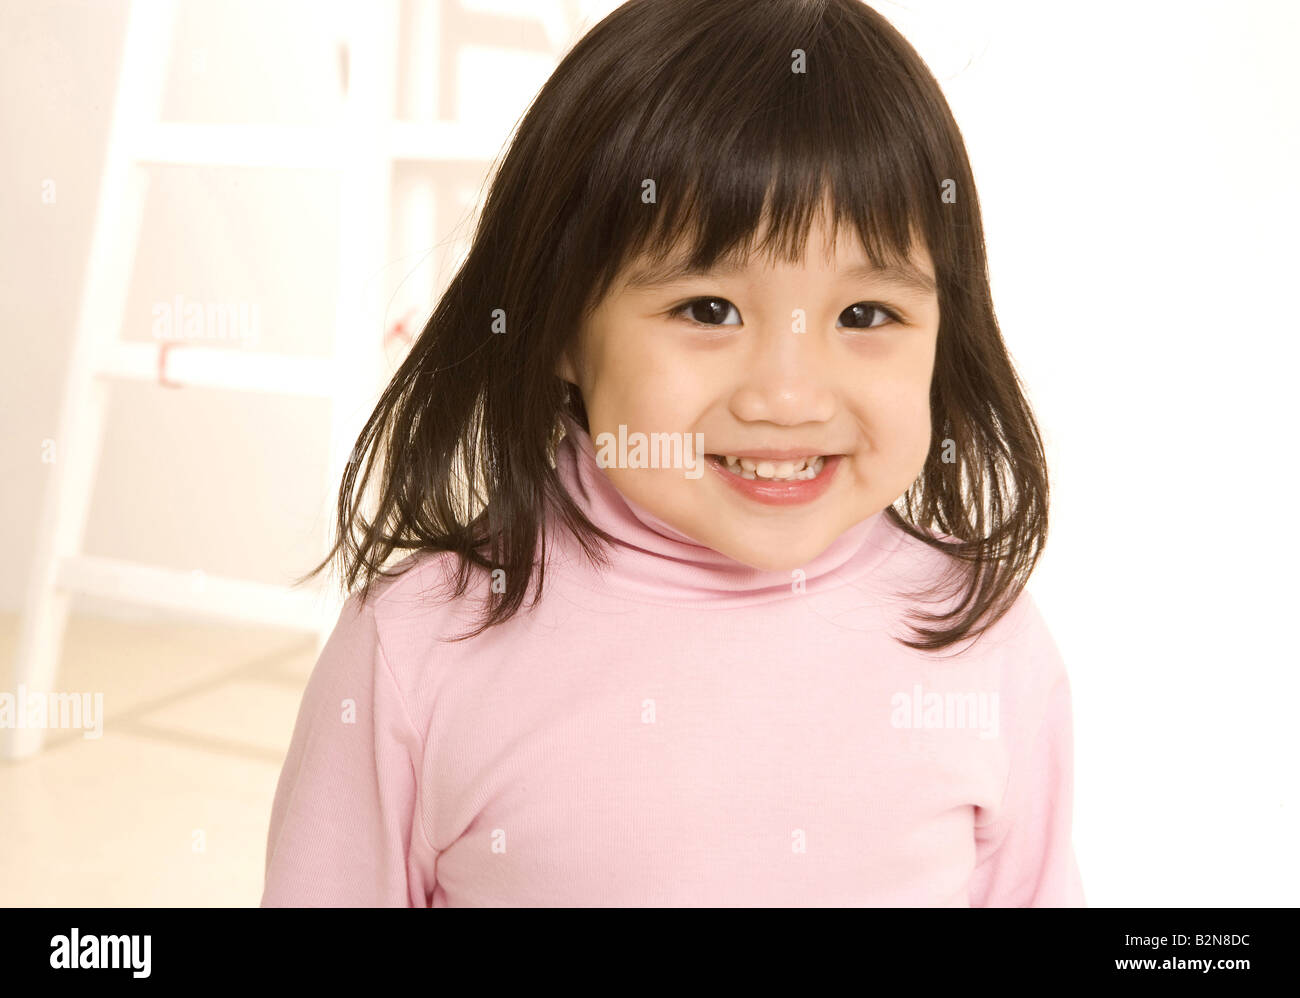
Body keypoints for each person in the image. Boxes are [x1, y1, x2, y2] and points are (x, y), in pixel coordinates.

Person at [261, 0, 1085, 907]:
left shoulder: (987, 644)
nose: (787, 397)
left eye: (865, 315)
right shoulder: (420, 646)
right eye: (708, 310)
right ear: (561, 326)